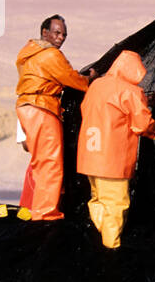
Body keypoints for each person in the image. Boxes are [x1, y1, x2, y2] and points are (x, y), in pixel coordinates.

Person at [15, 15, 96, 220]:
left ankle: (39, 210)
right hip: (43, 107)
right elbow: (72, 79)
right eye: (57, 33)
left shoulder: (28, 54)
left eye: (64, 35)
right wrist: (90, 78)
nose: (61, 38)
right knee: (51, 162)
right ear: (45, 33)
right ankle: (46, 213)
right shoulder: (50, 55)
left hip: (27, 108)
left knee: (42, 162)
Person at [76, 50, 155, 248]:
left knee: (97, 200)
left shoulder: (96, 85)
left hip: (89, 157)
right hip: (112, 161)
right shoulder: (131, 91)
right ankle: (110, 250)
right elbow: (141, 123)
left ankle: (102, 242)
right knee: (115, 204)